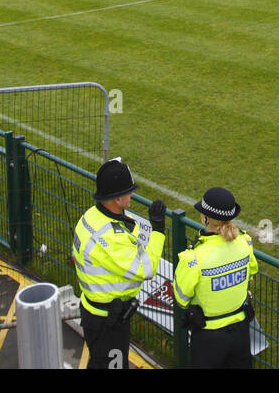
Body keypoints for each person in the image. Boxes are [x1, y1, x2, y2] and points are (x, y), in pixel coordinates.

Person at [72, 158, 165, 369]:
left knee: (99, 362)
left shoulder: (91, 216)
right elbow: (146, 268)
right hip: (109, 321)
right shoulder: (111, 239)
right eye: (129, 191)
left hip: (94, 310)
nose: (132, 194)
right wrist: (158, 231)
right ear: (117, 199)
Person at [173, 187, 258, 369]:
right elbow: (251, 272)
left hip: (208, 337)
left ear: (205, 218)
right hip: (240, 332)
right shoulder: (245, 242)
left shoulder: (194, 256)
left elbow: (181, 299)